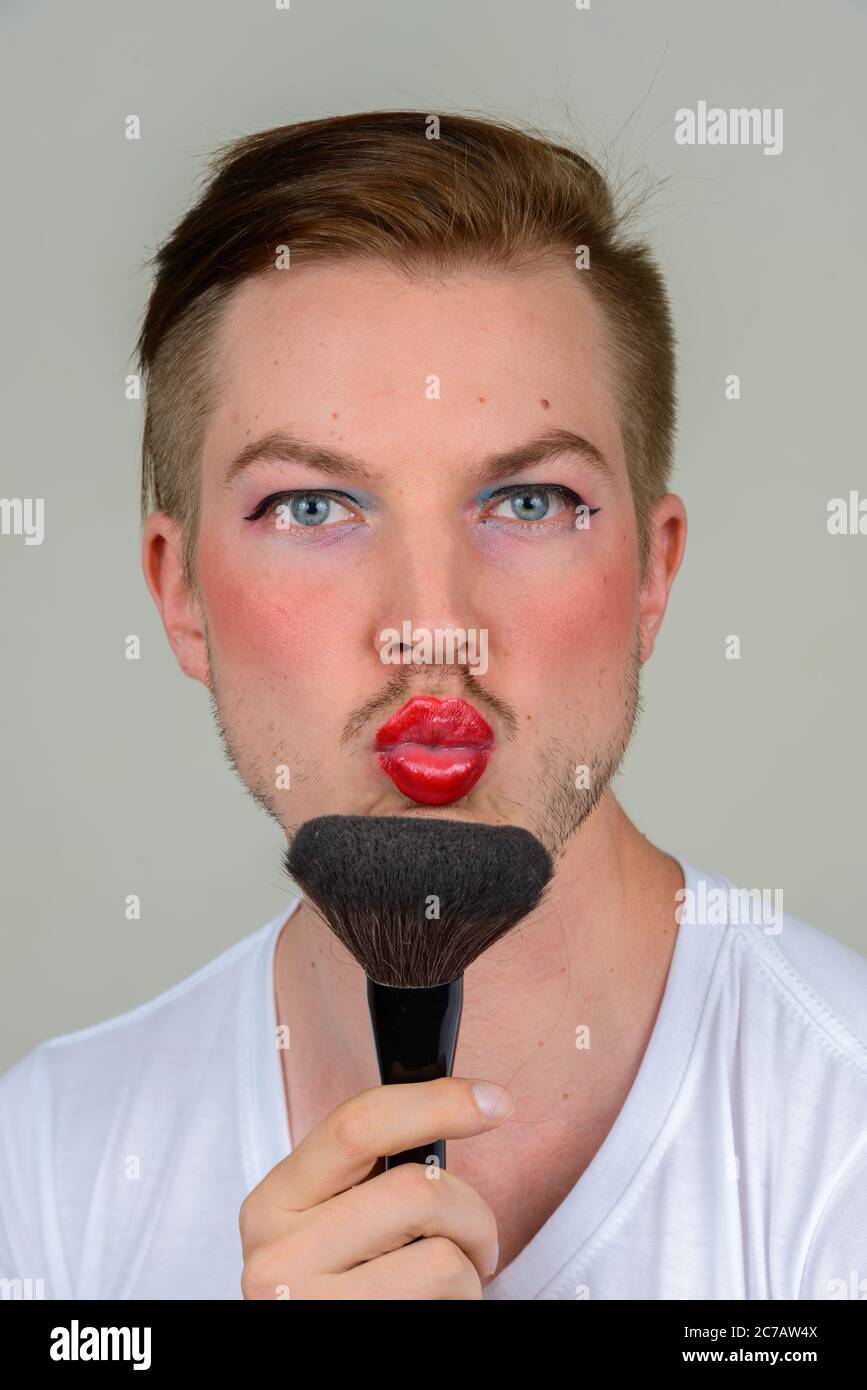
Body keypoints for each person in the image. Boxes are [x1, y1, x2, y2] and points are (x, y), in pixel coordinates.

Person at [1, 110, 865, 1302]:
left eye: (526, 501)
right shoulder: (42, 1177)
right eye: (310, 508)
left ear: (654, 576)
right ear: (181, 592)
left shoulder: (843, 1137)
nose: (431, 625)